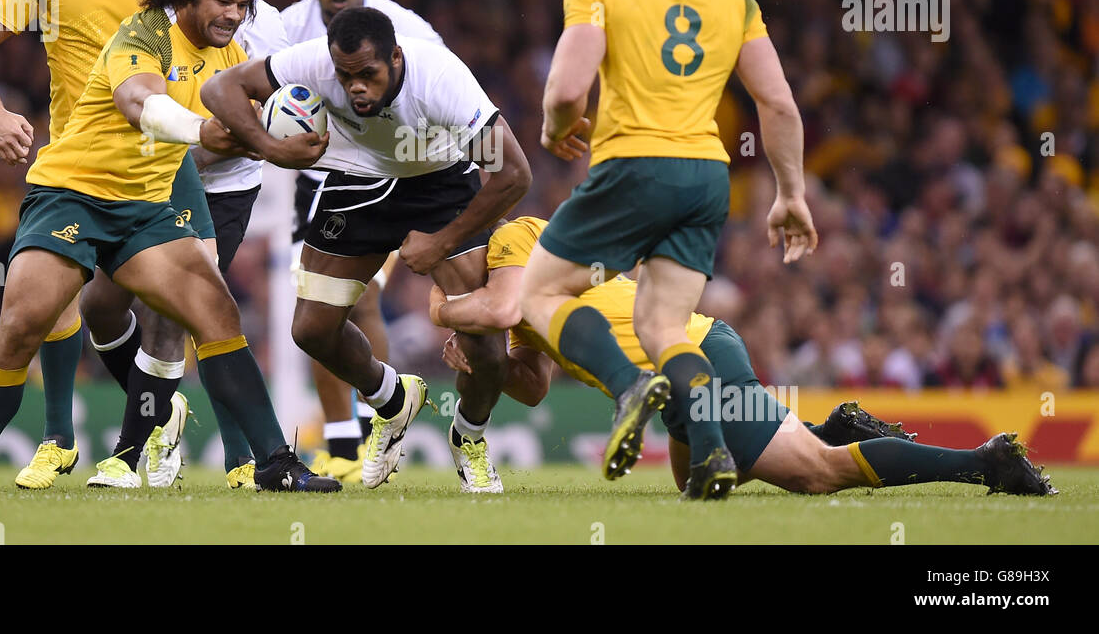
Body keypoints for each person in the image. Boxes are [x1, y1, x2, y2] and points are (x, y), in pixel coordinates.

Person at [0, 0, 338, 494]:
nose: (232, 14)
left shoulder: (233, 53)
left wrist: (291, 142)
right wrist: (207, 129)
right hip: (74, 193)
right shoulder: (145, 32)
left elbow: (251, 122)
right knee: (23, 325)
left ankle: (275, 462)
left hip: (148, 207)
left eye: (242, 4)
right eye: (222, 1)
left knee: (217, 314)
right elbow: (141, 105)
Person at [520, 0, 818, 498]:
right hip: (706, 175)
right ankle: (710, 452)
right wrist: (790, 193)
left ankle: (629, 387)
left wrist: (553, 126)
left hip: (634, 161)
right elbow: (779, 103)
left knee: (537, 293)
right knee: (664, 327)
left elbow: (569, 85)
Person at [435, 217, 1056, 497]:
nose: (447, 280)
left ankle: (985, 463)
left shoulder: (516, 239)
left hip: (693, 353)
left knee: (816, 473)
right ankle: (831, 428)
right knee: (695, 490)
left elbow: (496, 307)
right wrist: (479, 365)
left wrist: (442, 312)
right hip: (684, 369)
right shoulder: (516, 304)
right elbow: (535, 387)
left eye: (444, 266)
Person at [0, 0, 218, 491]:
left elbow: (228, 25)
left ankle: (253, 460)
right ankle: (58, 441)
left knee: (198, 303)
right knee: (44, 305)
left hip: (159, 157)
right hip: (77, 158)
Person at [202, 6, 531, 489]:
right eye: (345, 76)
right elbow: (218, 89)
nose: (355, 87)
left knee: (486, 346)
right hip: (360, 180)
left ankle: (470, 437)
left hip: (438, 181)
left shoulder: (440, 80)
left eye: (368, 75)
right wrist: (270, 148)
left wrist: (441, 242)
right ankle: (392, 399)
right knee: (312, 330)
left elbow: (514, 175)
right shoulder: (315, 61)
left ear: (395, 58)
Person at [77, 0, 292, 490]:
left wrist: (256, 139)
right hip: (144, 177)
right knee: (98, 307)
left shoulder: (257, 23)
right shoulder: (144, 14)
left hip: (220, 188)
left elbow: (266, 118)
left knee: (178, 312)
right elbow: (133, 98)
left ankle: (141, 453)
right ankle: (163, 409)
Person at [279, 0, 447, 483]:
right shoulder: (285, 28)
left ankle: (382, 420)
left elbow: (444, 84)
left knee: (362, 301)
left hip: (391, 177)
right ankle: (344, 444)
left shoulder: (402, 27)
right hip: (315, 181)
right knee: (317, 304)